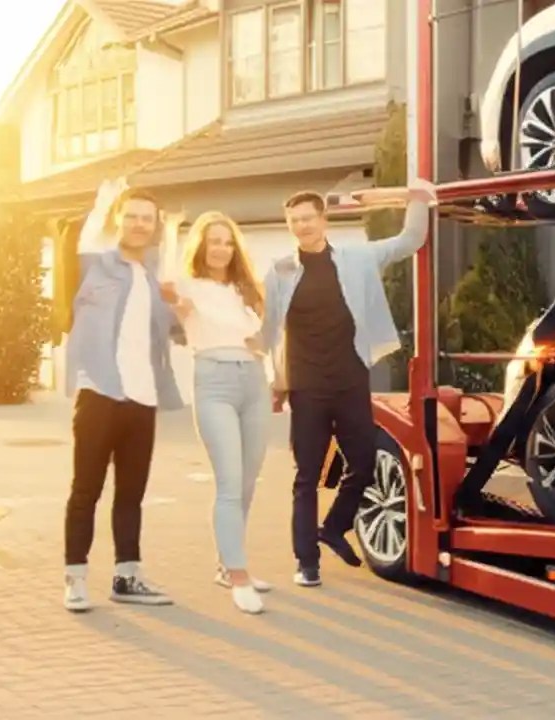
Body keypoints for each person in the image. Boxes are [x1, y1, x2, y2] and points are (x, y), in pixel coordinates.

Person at [261, 182, 435, 588]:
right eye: (294, 221)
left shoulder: (357, 258)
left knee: (365, 463)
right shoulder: (280, 270)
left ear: (323, 220)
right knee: (306, 476)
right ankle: (307, 562)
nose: (302, 226)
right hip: (306, 387)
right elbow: (270, 330)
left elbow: (410, 240)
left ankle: (335, 526)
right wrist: (276, 383)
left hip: (350, 380)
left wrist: (420, 199)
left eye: (308, 218)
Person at [62, 179, 184, 613]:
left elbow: (175, 323)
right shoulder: (97, 264)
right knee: (86, 491)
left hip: (142, 399)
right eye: (131, 216)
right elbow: (89, 235)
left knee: (131, 494)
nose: (138, 224)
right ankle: (75, 579)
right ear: (118, 220)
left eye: (146, 219)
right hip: (100, 394)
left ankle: (127, 577)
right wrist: (104, 199)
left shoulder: (152, 277)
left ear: (154, 226)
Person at [165, 211, 272, 614]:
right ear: (201, 245)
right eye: (214, 241)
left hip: (254, 382)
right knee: (229, 482)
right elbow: (165, 286)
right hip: (214, 383)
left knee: (246, 483)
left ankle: (227, 564)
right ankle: (239, 576)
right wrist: (170, 233)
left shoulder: (245, 291)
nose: (222, 249)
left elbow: (266, 333)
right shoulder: (189, 287)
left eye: (228, 242)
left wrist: (262, 345)